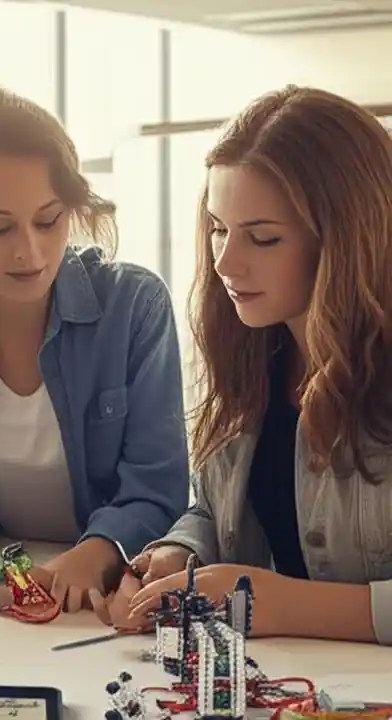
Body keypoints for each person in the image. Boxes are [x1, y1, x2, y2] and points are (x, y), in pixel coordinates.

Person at [0, 85, 189, 611]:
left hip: (105, 597)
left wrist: (99, 549)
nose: (30, 251)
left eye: (49, 219)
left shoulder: (134, 304)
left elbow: (159, 487)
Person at [97, 86, 392, 646]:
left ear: (349, 240)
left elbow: (268, 594)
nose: (226, 261)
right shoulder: (255, 355)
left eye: (262, 237)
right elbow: (218, 509)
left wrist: (282, 604)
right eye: (217, 228)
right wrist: (181, 551)